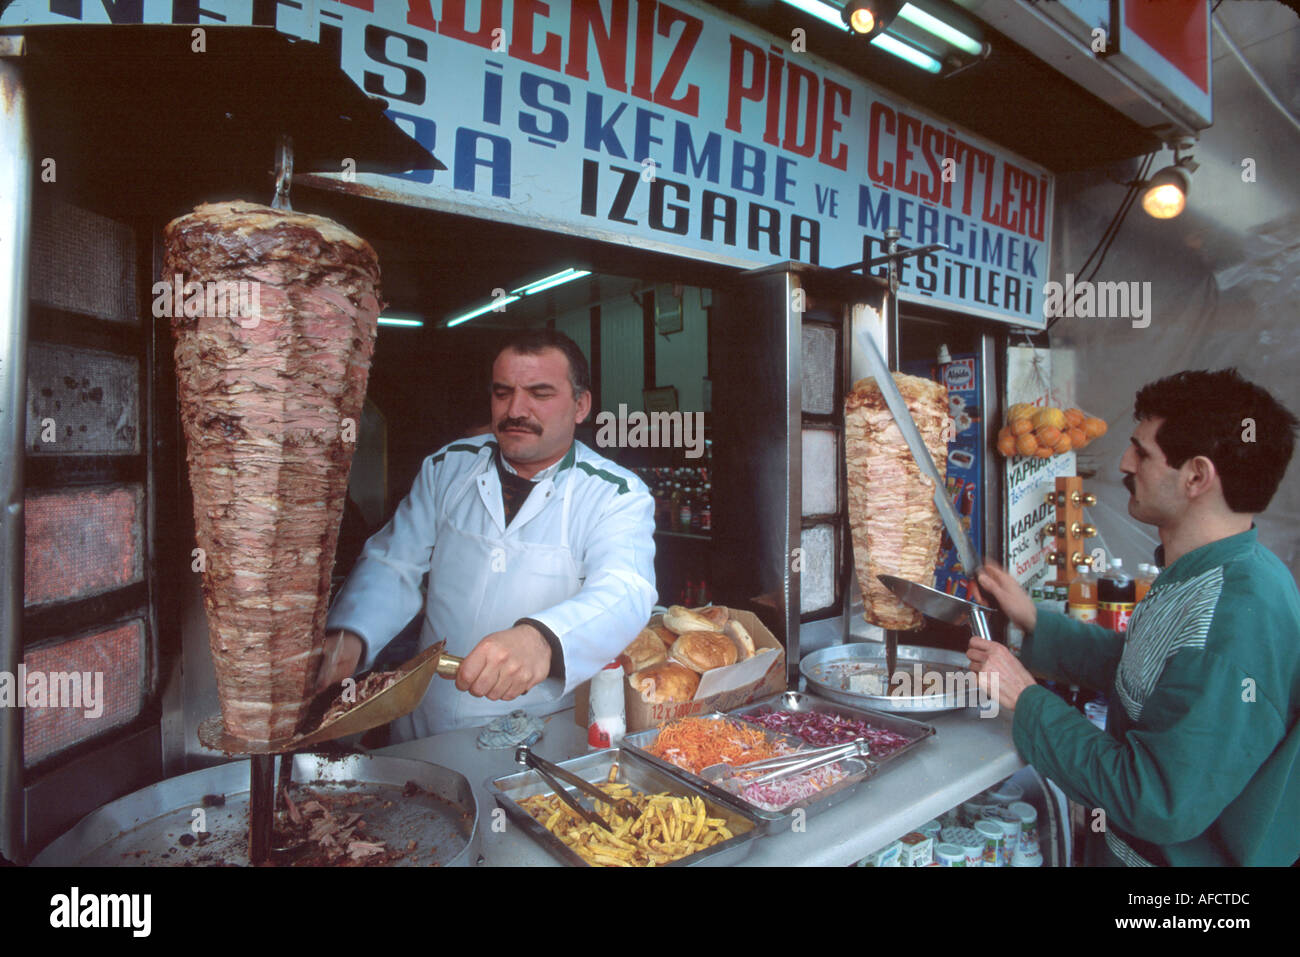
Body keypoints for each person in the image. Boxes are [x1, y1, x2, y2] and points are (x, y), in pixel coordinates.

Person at [969, 369, 1300, 866]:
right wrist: (1034, 621)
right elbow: (1148, 672)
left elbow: (1156, 801)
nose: (1124, 463)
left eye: (1142, 452)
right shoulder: (1212, 573)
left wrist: (1027, 699)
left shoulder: (1233, 615)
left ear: (1196, 476)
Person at [318, 329, 656, 738]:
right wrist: (352, 634)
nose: (516, 409)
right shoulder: (448, 467)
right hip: (428, 718)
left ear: (581, 405)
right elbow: (395, 563)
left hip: (538, 725)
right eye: (503, 392)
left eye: (540, 393)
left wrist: (543, 639)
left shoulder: (614, 493)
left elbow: (626, 588)